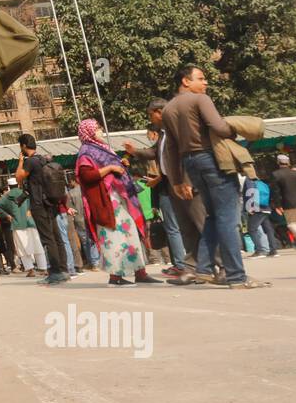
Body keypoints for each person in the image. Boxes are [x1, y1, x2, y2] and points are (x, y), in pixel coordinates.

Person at [161, 65, 254, 287]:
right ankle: (237, 276)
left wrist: (176, 180)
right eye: (201, 78)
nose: (205, 83)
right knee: (227, 219)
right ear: (185, 81)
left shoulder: (167, 109)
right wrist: (235, 130)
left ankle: (202, 269)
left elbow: (170, 149)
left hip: (190, 164)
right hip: (212, 159)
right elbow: (219, 126)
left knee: (212, 216)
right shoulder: (199, 100)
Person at [74, 120, 157, 285]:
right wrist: (111, 169)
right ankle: (115, 276)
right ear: (88, 132)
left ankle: (140, 272)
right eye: (96, 128)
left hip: (119, 199)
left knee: (131, 235)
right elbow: (86, 176)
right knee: (113, 237)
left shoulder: (102, 148)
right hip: (107, 202)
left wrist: (121, 164)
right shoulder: (86, 152)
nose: (100, 130)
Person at [146, 98, 201, 283]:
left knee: (198, 225)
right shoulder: (163, 134)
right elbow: (160, 157)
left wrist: (184, 181)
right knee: (185, 228)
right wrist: (134, 151)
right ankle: (192, 267)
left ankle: (223, 267)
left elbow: (182, 157)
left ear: (160, 112)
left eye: (151, 114)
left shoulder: (175, 130)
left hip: (184, 184)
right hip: (173, 185)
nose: (150, 119)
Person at [17, 134, 70, 286]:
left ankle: (55, 272)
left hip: (39, 204)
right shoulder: (43, 159)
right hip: (50, 203)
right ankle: (64, 270)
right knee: (56, 237)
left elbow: (19, 177)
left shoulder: (31, 162)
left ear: (24, 146)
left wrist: (21, 161)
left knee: (48, 239)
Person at [0, 180, 46, 277]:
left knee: (22, 249)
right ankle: (44, 269)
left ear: (9, 186)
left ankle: (31, 270)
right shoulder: (26, 192)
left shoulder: (6, 196)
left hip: (17, 224)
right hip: (30, 222)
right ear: (18, 184)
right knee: (37, 246)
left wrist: (7, 215)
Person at [67, 180, 99, 270]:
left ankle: (91, 262)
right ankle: (95, 262)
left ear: (74, 181)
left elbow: (72, 210)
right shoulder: (87, 190)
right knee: (92, 240)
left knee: (85, 242)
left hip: (79, 220)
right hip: (89, 218)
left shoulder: (71, 193)